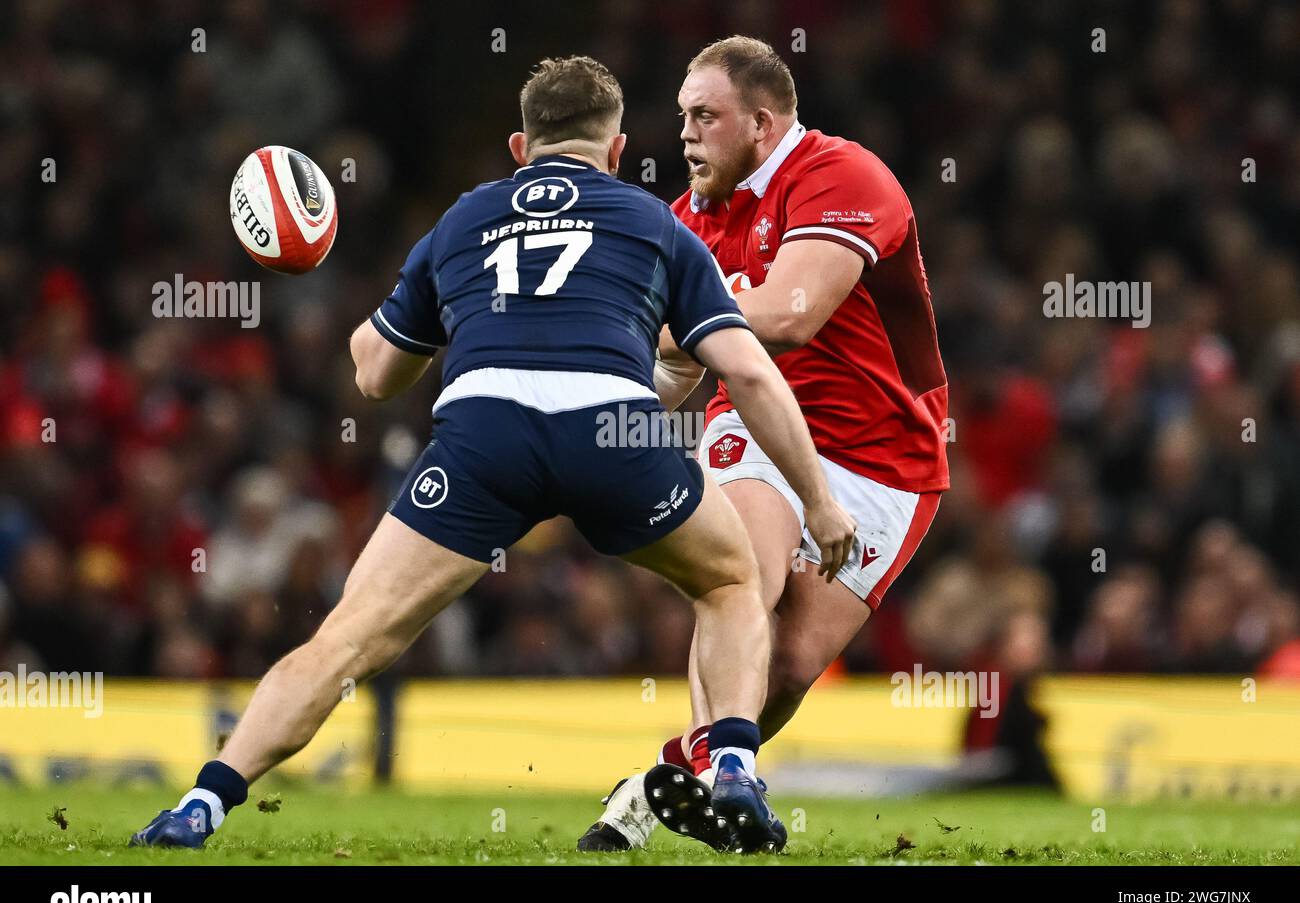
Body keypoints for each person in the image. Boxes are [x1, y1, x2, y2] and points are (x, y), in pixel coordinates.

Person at [130, 55, 854, 854]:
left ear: (520, 147)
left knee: (346, 641)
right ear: (616, 154)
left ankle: (199, 804)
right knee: (728, 578)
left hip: (484, 433)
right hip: (609, 423)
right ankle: (735, 768)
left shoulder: (463, 221)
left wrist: (378, 303)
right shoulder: (657, 223)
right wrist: (818, 500)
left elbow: (373, 372)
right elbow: (748, 367)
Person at [580, 36, 948, 851]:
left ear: (761, 120)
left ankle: (658, 784)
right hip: (759, 424)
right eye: (680, 116)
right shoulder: (685, 222)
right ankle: (738, 775)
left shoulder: (843, 176)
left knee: (785, 667)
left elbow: (788, 315)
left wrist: (672, 330)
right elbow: (676, 372)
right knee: (743, 567)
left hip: (889, 457)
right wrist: (608, 407)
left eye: (703, 116)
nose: (683, 134)